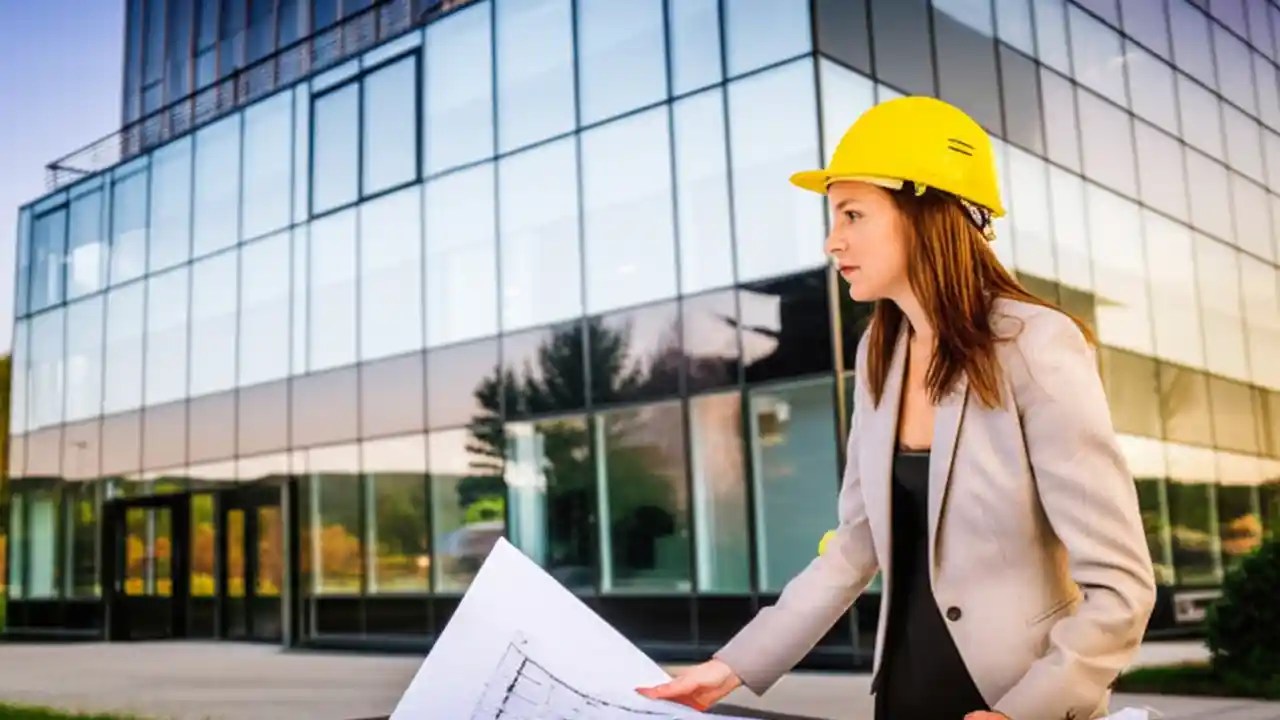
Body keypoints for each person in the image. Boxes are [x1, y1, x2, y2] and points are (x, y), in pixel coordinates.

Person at [637, 96, 1157, 720]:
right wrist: (729, 668)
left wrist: (1028, 711)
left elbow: (1121, 586)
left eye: (853, 214)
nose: (833, 241)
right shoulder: (881, 354)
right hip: (904, 691)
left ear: (927, 213)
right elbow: (854, 547)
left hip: (1011, 700)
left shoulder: (1035, 343)